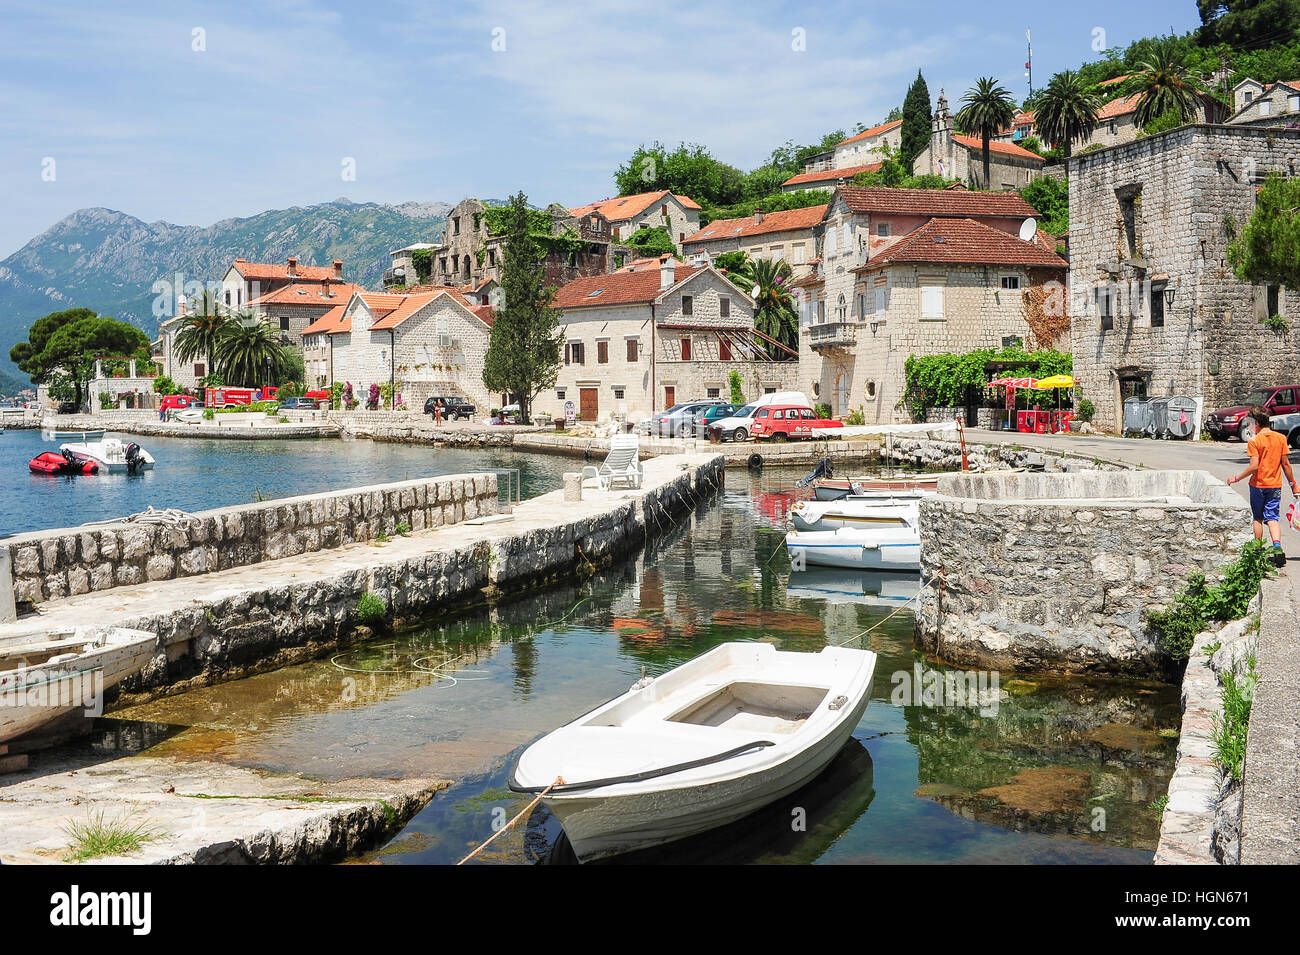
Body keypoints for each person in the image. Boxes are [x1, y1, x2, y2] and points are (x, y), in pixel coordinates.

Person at [1227, 406, 1298, 565]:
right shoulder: (1281, 438)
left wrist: (1236, 478)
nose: (1249, 427)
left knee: (1258, 518)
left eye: (1250, 423)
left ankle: (1258, 553)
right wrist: (1294, 485)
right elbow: (1286, 464)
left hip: (1258, 486)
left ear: (1257, 423)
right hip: (1275, 486)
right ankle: (1278, 547)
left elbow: (1254, 466)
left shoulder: (1254, 441)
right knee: (1272, 518)